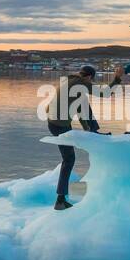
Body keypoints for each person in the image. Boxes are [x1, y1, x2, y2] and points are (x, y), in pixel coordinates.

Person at [44, 64, 102, 210]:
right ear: (89, 77)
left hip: (53, 123)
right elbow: (103, 93)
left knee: (83, 100)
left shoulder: (67, 82)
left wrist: (87, 128)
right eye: (91, 80)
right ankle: (60, 200)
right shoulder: (81, 84)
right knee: (69, 159)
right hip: (60, 125)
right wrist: (117, 79)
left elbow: (79, 109)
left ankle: (94, 130)